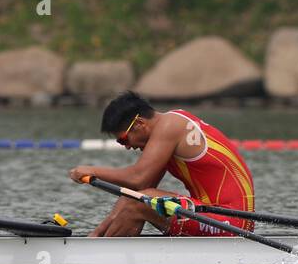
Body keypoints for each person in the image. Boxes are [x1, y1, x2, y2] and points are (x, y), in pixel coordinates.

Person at [69, 93, 255, 237]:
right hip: (210, 215)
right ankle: (105, 247)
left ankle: (105, 256)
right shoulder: (172, 121)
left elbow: (137, 178)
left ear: (140, 123)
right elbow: (138, 188)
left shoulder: (169, 126)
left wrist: (92, 170)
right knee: (139, 197)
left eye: (124, 140)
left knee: (142, 202)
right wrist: (97, 232)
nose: (128, 147)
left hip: (233, 223)